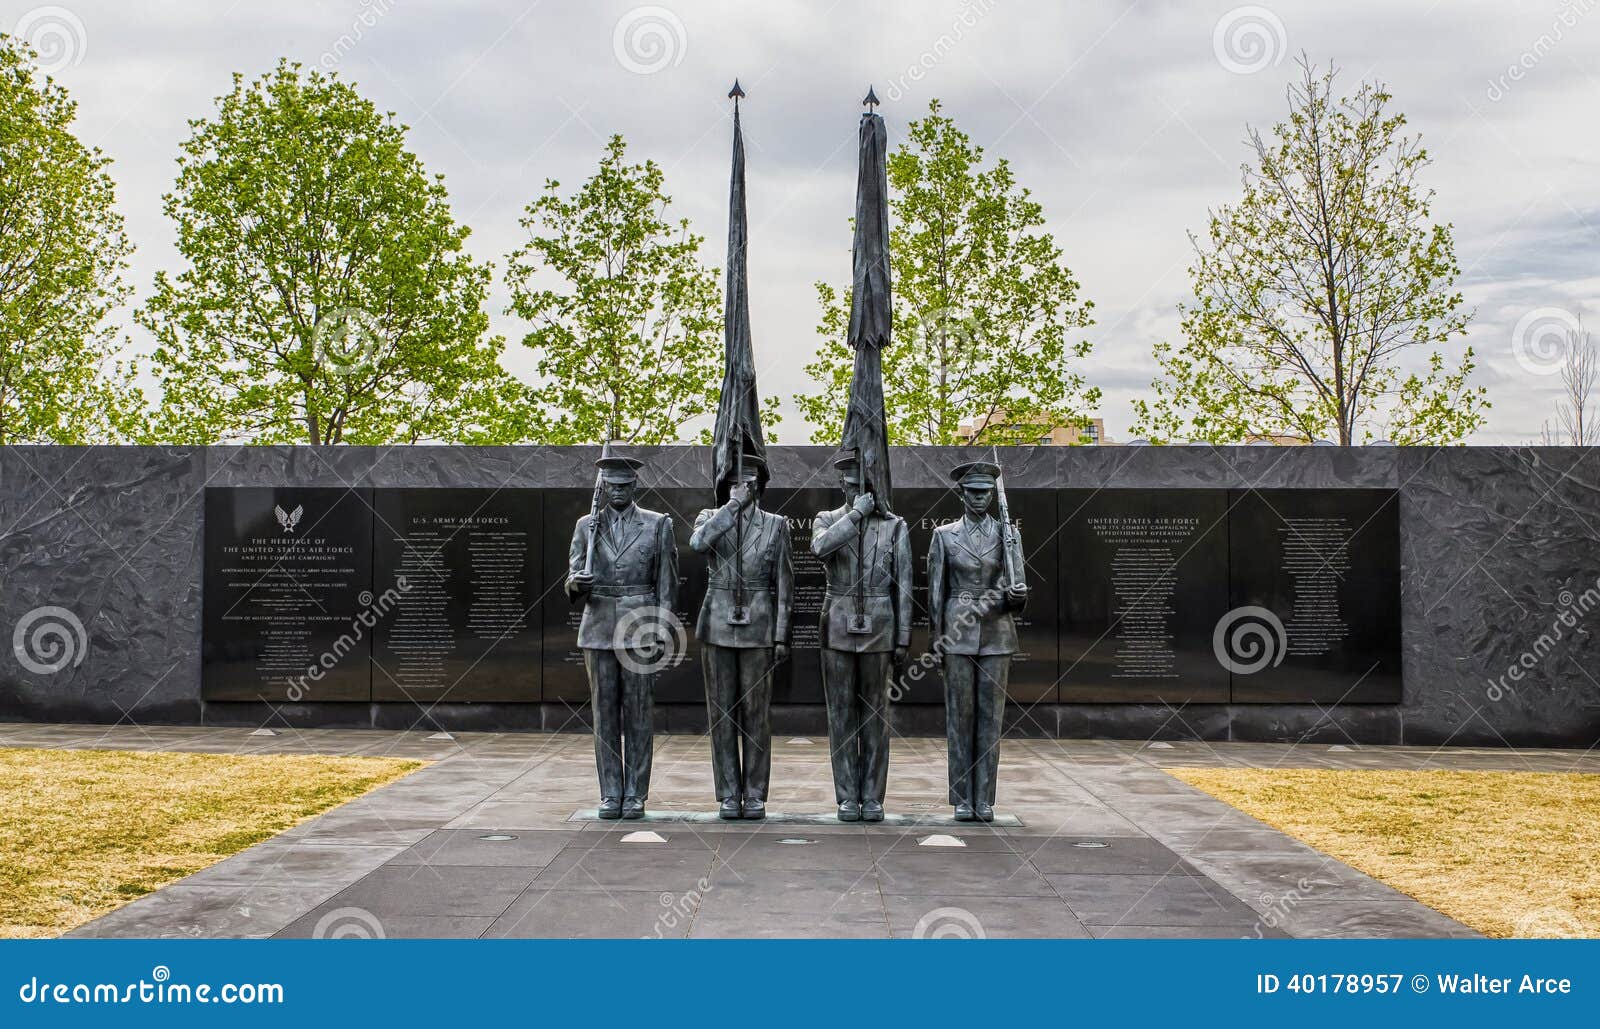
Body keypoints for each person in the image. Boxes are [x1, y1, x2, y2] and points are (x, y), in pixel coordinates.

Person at [565, 453, 678, 820]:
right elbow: (571, 576)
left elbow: (666, 582)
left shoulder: (657, 524)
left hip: (639, 625)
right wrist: (575, 584)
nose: (617, 491)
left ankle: (636, 795)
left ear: (635, 486)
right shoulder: (587, 525)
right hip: (597, 627)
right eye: (611, 485)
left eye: (624, 485)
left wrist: (661, 628)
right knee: (605, 716)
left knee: (639, 715)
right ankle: (611, 792)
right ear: (603, 487)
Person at [689, 452, 793, 820]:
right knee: (721, 715)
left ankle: (755, 793)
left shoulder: (776, 525)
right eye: (737, 482)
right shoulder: (711, 517)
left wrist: (782, 635)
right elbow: (699, 544)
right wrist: (731, 506)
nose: (744, 488)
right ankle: (728, 793)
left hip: (759, 626)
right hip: (717, 624)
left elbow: (785, 584)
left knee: (756, 715)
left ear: (761, 487)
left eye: (750, 482)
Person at [810, 452, 911, 822]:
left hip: (880, 624)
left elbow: (903, 586)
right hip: (837, 624)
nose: (858, 492)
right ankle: (846, 797)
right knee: (840, 716)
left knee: (875, 716)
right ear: (841, 486)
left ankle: (873, 796)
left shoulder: (894, 526)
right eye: (851, 487)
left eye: (864, 486)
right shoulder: (828, 519)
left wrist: (902, 636)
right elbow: (820, 549)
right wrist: (855, 515)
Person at [927, 460, 1028, 822]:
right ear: (962, 493)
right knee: (960, 719)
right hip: (957, 632)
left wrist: (1016, 595)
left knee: (990, 720)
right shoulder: (944, 535)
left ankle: (983, 797)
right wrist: (935, 641)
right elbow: (935, 595)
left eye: (985, 492)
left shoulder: (1008, 534)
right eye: (974, 492)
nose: (980, 498)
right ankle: (961, 799)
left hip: (997, 633)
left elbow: (1019, 588)